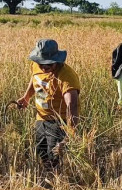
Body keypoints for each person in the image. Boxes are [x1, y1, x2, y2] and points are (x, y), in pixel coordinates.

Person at [15, 39, 81, 167]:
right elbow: (35, 78)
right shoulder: (36, 65)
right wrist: (26, 97)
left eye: (48, 65)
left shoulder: (66, 76)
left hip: (58, 122)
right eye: (41, 64)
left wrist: (71, 133)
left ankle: (55, 182)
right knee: (41, 153)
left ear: (56, 60)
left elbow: (72, 105)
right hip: (41, 118)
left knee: (55, 157)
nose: (44, 67)